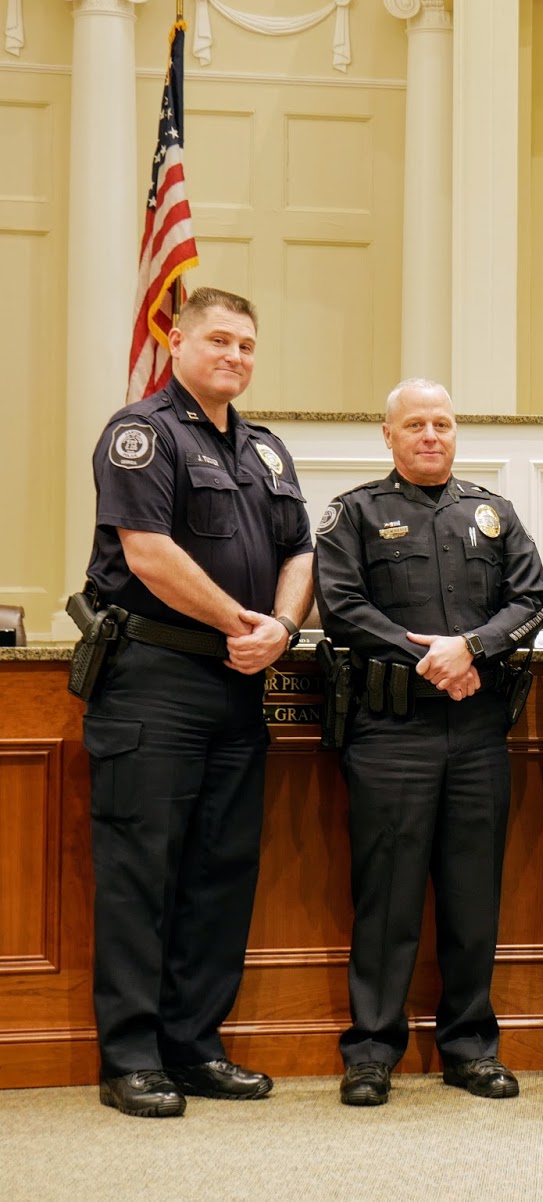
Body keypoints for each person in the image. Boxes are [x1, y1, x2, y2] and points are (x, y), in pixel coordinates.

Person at [81, 287, 312, 1117]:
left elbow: (300, 551)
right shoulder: (142, 433)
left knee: (220, 872)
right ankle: (132, 1057)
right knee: (141, 872)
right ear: (176, 341)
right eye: (219, 340)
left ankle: (194, 1045)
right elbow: (147, 555)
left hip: (239, 682)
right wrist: (238, 622)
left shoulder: (267, 452)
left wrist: (282, 626)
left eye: (247, 345)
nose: (236, 357)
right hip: (155, 678)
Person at [313, 379, 543, 1107]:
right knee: (386, 895)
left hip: (477, 733)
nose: (431, 436)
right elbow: (342, 605)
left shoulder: (494, 512)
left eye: (442, 424)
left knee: (473, 895)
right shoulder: (355, 513)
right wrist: (431, 658)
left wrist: (470, 648)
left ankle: (470, 1048)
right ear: (388, 435)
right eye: (415, 424)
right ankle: (372, 1051)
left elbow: (530, 601)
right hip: (391, 732)